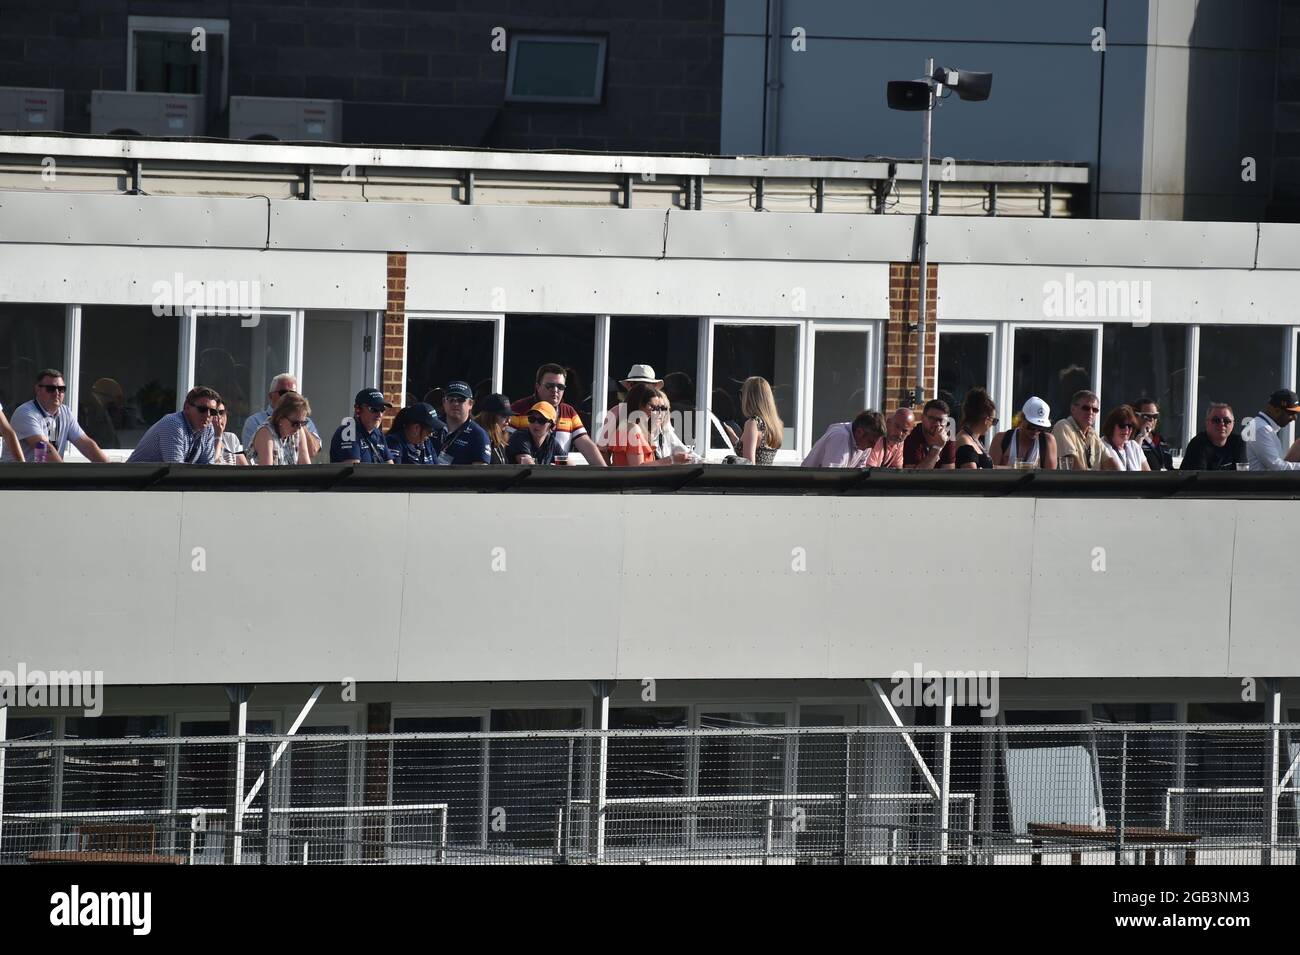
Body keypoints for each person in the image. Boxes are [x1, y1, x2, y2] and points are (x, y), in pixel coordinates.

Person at [1, 368, 110, 463]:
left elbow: (86, 444)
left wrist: (109, 470)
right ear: (38, 390)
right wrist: (64, 477)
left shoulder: (65, 412)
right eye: (51, 389)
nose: (57, 393)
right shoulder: (26, 413)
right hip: (16, 479)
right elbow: (43, 448)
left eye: (61, 389)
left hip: (45, 475)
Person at [509, 363, 607, 466]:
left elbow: (586, 445)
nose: (555, 390)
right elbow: (506, 445)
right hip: (523, 477)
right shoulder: (518, 409)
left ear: (552, 424)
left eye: (560, 387)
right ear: (537, 386)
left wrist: (604, 475)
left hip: (557, 478)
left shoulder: (568, 413)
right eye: (549, 386)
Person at [597, 364, 693, 464]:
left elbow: (673, 441)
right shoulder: (615, 413)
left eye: (647, 385)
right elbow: (602, 449)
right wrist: (609, 474)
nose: (642, 389)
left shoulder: (656, 413)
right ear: (630, 386)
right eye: (637, 385)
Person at [126, 386, 220, 464]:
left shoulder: (208, 429)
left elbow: (206, 467)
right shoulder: (173, 424)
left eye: (212, 411)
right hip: (132, 483)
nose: (208, 415)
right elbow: (176, 471)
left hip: (159, 484)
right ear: (186, 407)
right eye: (202, 409)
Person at [241, 373, 322, 457]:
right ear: (270, 396)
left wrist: (299, 422)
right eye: (283, 393)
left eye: (293, 394)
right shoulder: (255, 422)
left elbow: (312, 452)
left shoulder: (304, 422)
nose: (288, 397)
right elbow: (254, 459)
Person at [990, 397, 1058, 469]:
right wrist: (1015, 469)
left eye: (1040, 428)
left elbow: (1050, 476)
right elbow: (989, 471)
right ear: (1022, 418)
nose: (1035, 431)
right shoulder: (1001, 438)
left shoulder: (1048, 441)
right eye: (1032, 426)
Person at [433, 380, 491, 465]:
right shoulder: (431, 426)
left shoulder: (478, 435)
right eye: (451, 399)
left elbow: (480, 473)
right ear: (444, 402)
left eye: (461, 400)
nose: (455, 403)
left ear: (470, 404)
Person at [330, 388, 394, 464]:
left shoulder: (378, 434)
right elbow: (354, 471)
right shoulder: (348, 432)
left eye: (382, 409)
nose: (379, 414)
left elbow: (390, 467)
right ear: (358, 410)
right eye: (374, 409)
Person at [803, 410, 884, 468]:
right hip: (806, 487)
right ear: (859, 432)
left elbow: (859, 474)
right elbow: (831, 476)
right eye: (870, 442)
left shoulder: (864, 445)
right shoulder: (840, 436)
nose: (872, 447)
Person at [249, 392, 314, 466]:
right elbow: (266, 473)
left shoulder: (299, 432)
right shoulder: (266, 433)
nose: (299, 427)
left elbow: (305, 468)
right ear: (280, 418)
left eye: (303, 423)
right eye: (295, 423)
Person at [1244, 389, 1300, 471]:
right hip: (1261, 483)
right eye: (1291, 413)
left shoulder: (1263, 426)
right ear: (1276, 410)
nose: (1295, 418)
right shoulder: (1261, 429)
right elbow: (1277, 467)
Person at [1180, 403, 1246, 470]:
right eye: (1216, 420)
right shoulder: (1198, 444)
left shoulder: (1238, 443)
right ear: (1207, 423)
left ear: (1233, 424)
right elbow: (1199, 478)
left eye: (1226, 421)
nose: (1222, 424)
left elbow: (1242, 475)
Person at [1052, 389, 1104, 471]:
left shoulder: (1093, 434)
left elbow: (1109, 460)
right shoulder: (1063, 426)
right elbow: (1072, 464)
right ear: (1073, 409)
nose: (1091, 412)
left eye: (1095, 410)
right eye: (1086, 408)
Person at [737, 376, 783, 466]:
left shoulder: (753, 423)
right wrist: (736, 441)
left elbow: (748, 465)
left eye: (742, 393)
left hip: (753, 478)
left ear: (749, 397)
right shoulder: (775, 424)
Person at [902, 399, 956, 469]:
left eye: (941, 420)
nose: (937, 424)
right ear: (922, 418)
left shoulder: (948, 438)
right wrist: (937, 448)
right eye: (932, 418)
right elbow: (915, 476)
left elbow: (948, 474)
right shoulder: (912, 437)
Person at [1099, 404, 1150, 471]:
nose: (1126, 430)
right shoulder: (1102, 446)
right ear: (1111, 426)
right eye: (1122, 425)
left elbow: (1148, 474)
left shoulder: (1134, 446)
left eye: (1129, 426)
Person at [954, 388, 996, 469]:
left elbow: (990, 468)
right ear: (986, 420)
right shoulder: (965, 443)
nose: (992, 425)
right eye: (994, 421)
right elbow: (972, 476)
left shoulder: (974, 439)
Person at [1133, 397, 1173, 470]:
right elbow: (1133, 458)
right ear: (1136, 417)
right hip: (1146, 480)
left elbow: (1169, 465)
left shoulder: (1160, 439)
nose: (1151, 420)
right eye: (1146, 416)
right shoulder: (1131, 437)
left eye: (1155, 416)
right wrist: (1141, 436)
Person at [474, 393, 513, 465]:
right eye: (504, 415)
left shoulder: (502, 437)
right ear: (490, 417)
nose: (508, 420)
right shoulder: (478, 437)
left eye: (510, 416)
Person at [211, 399, 247, 465]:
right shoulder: (203, 441)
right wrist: (217, 436)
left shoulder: (231, 438)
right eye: (214, 413)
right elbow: (212, 465)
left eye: (221, 412)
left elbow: (245, 469)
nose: (218, 417)